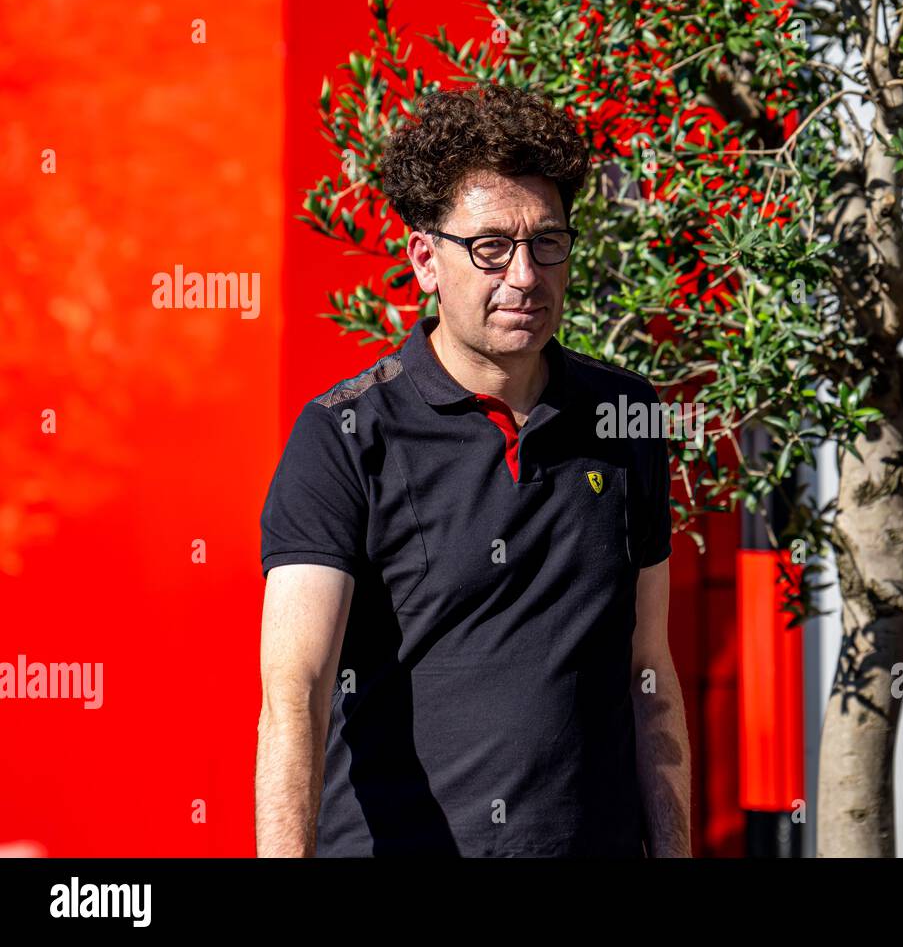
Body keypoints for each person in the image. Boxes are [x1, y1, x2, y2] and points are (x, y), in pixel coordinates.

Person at [254, 83, 690, 857]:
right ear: (426, 258)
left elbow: (648, 671)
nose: (525, 275)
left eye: (547, 243)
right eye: (491, 247)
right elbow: (296, 698)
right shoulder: (345, 436)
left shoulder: (627, 419)